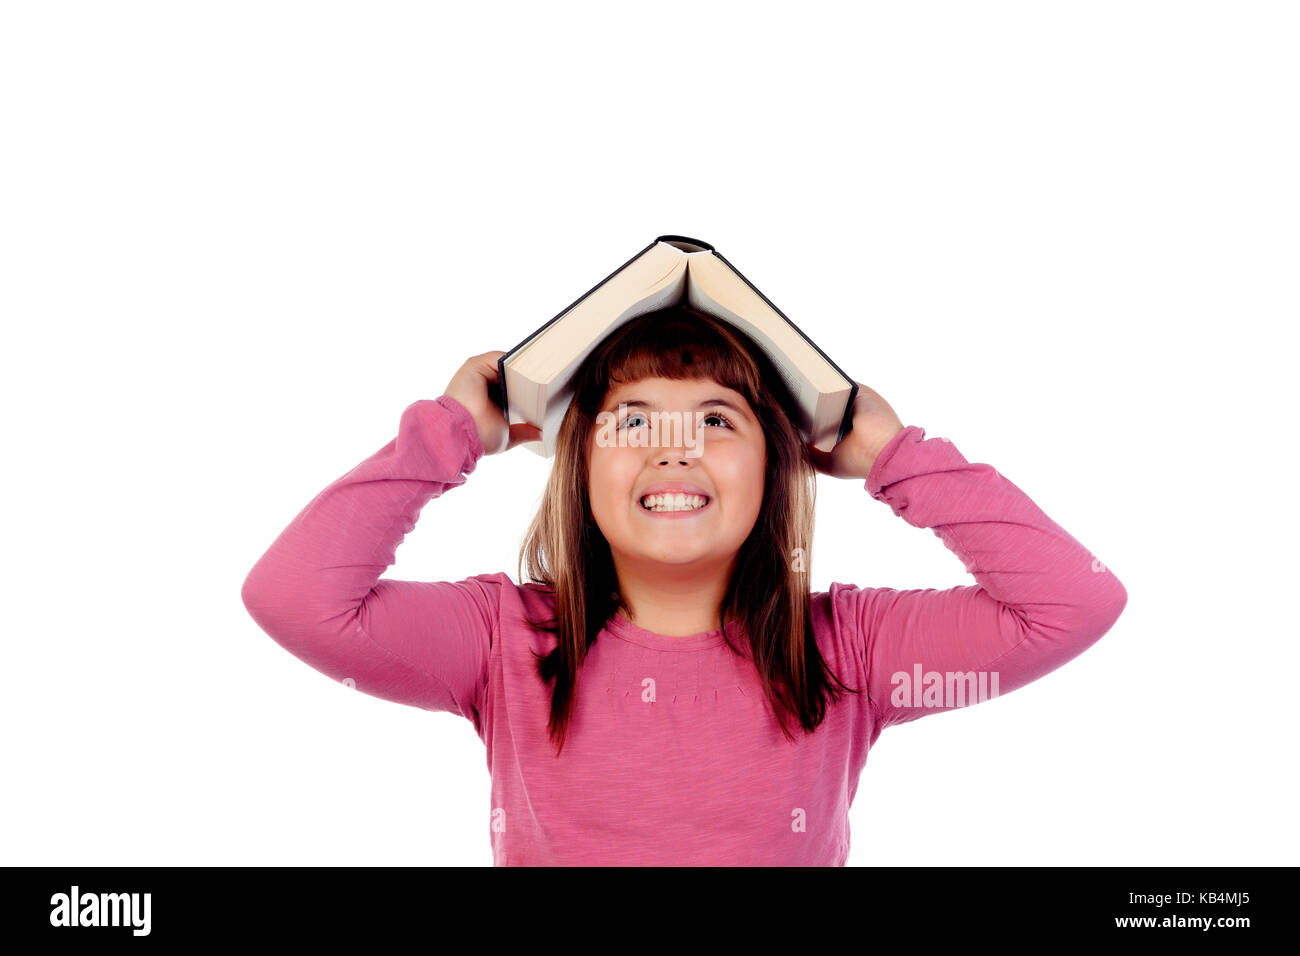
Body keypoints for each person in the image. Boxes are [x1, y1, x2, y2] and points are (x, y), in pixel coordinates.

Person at [241, 303, 1127, 865]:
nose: (676, 447)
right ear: (579, 466)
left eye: (716, 418)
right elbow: (293, 596)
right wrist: (446, 437)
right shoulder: (502, 639)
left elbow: (1073, 602)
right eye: (632, 420)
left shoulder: (848, 649)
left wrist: (899, 459)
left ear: (778, 468)